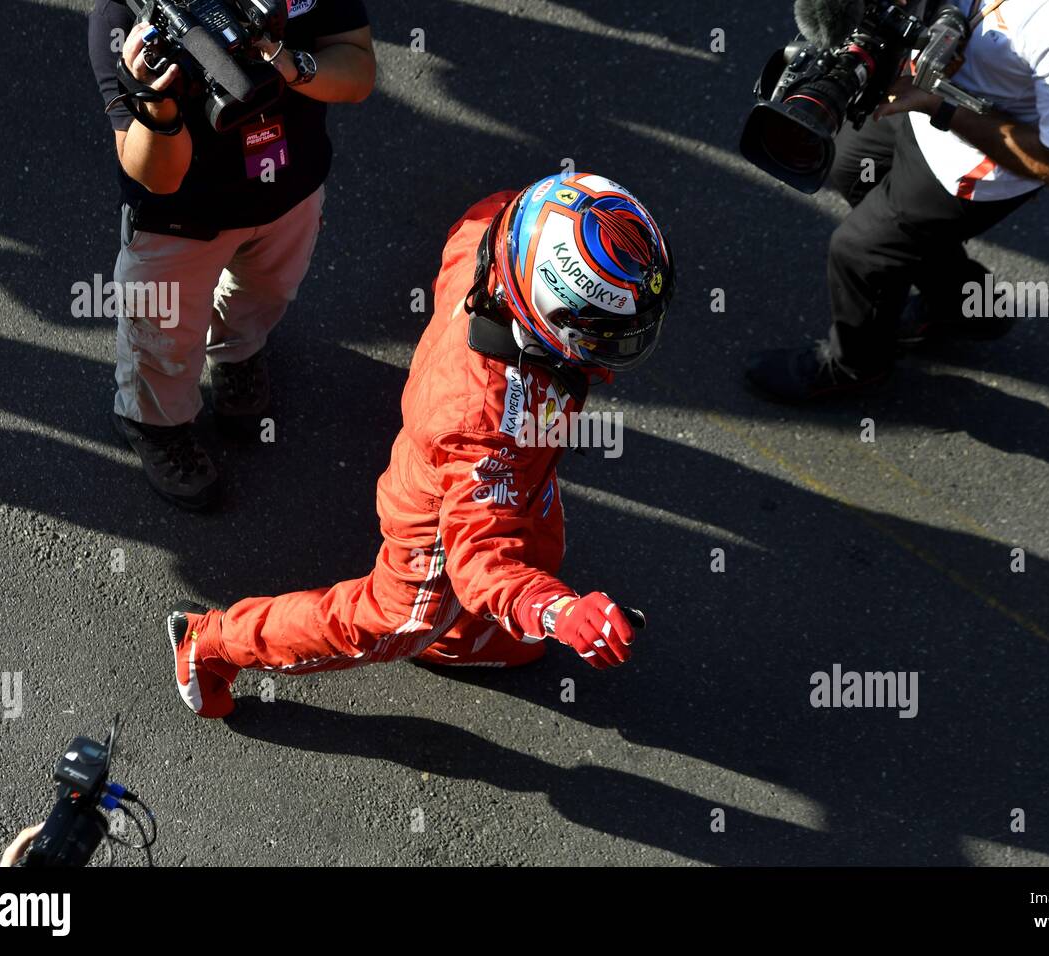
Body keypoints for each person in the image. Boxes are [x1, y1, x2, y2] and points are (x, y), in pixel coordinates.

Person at [163, 173, 675, 717]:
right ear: (548, 318)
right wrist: (554, 612)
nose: (620, 349)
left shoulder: (499, 226)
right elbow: (480, 558)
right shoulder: (487, 423)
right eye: (605, 335)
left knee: (531, 531)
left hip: (489, 457)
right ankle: (213, 643)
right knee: (396, 623)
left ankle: (485, 625)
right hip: (440, 508)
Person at [746, 0, 1049, 401]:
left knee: (859, 253)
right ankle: (967, 305)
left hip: (969, 163)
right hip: (922, 98)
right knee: (849, 164)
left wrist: (939, 108)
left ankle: (856, 366)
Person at [87, 0, 376, 509]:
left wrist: (291, 65)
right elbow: (157, 176)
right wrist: (157, 104)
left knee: (265, 292)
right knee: (162, 337)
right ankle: (153, 423)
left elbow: (356, 69)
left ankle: (238, 352)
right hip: (177, 220)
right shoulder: (121, 18)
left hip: (290, 192)